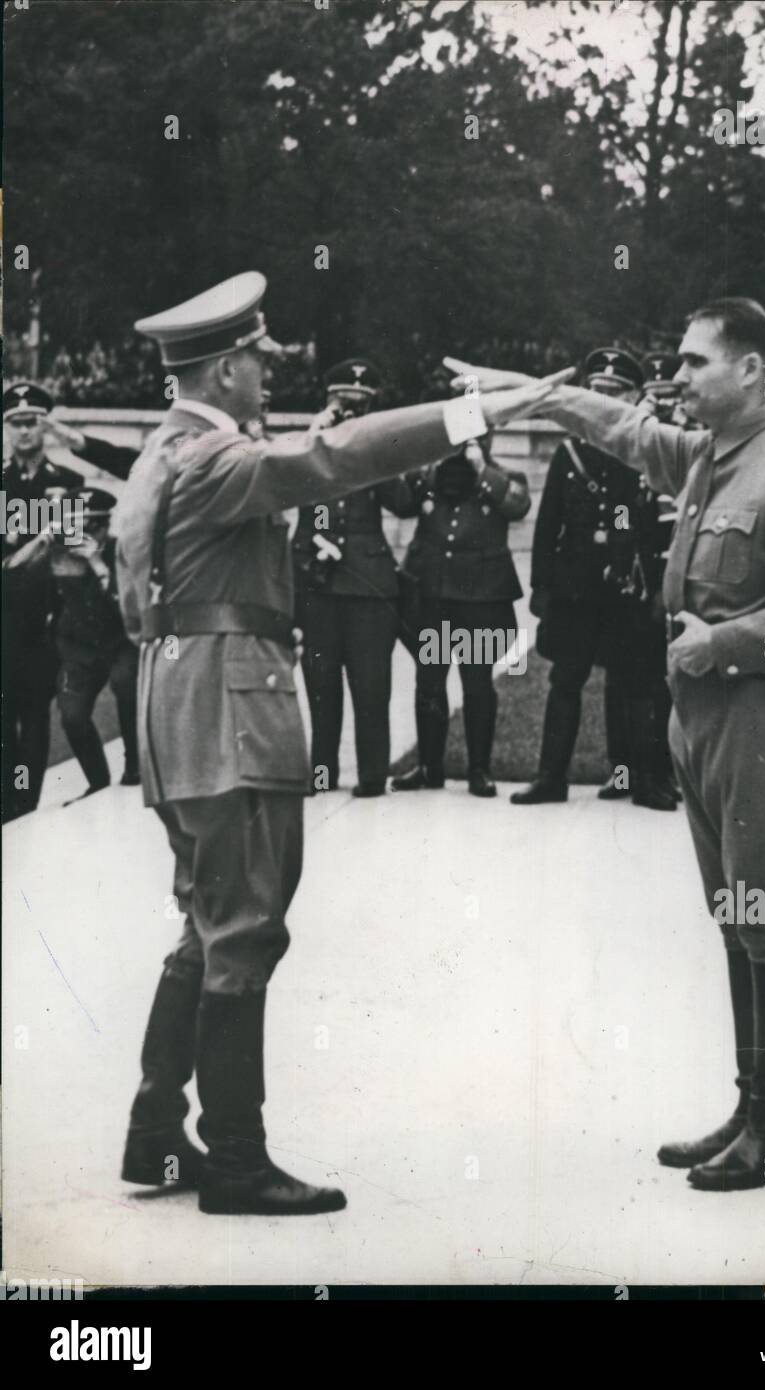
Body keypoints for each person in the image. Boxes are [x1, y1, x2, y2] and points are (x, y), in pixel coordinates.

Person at [113, 271, 560, 1216]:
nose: (269, 376)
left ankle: (156, 1135)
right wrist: (471, 411)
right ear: (227, 368)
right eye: (260, 362)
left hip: (179, 710)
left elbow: (132, 594)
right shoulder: (215, 461)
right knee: (243, 931)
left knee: (203, 922)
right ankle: (236, 1161)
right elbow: (338, 456)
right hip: (231, 714)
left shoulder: (161, 455)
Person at [447, 296, 765, 1192]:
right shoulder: (710, 457)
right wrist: (531, 396)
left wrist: (722, 642)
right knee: (736, 919)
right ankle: (751, 1107)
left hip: (762, 719)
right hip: (702, 719)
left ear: (752, 371)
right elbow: (622, 428)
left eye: (693, 362)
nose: (676, 376)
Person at [510, 348, 675, 810]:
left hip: (627, 588)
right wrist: (542, 586)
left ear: (635, 398)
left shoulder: (647, 451)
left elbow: (658, 526)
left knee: (638, 684)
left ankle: (648, 779)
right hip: (575, 589)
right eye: (597, 392)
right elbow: (548, 524)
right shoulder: (570, 452)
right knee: (565, 681)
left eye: (615, 393)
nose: (603, 401)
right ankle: (550, 778)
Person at [2, 382, 137, 821]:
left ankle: (24, 803)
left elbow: (77, 553)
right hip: (5, 614)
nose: (24, 432)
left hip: (45, 617)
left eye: (32, 423)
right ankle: (7, 803)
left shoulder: (68, 484)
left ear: (44, 427)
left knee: (37, 711)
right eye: (16, 424)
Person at [292, 359, 415, 797]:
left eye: (360, 407)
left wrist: (378, 447)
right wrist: (315, 437)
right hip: (319, 585)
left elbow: (404, 502)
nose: (351, 415)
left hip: (367, 586)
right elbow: (284, 482)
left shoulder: (375, 452)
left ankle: (371, 777)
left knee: (371, 687)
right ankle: (321, 773)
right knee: (321, 689)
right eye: (345, 405)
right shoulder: (310, 449)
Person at [391, 436, 530, 798]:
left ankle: (479, 770)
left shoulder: (501, 477)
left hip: (480, 600)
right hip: (433, 597)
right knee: (430, 682)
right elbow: (400, 501)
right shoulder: (429, 476)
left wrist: (481, 468)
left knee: (477, 683)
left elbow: (518, 506)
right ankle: (428, 766)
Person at [48, 487, 140, 800]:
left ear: (103, 527)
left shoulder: (121, 551)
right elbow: (17, 576)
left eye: (90, 528)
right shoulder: (59, 553)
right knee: (71, 713)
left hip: (119, 641)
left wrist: (99, 564)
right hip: (80, 647)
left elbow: (129, 605)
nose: (82, 536)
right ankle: (97, 781)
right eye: (74, 527)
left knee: (126, 684)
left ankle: (135, 766)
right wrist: (40, 541)